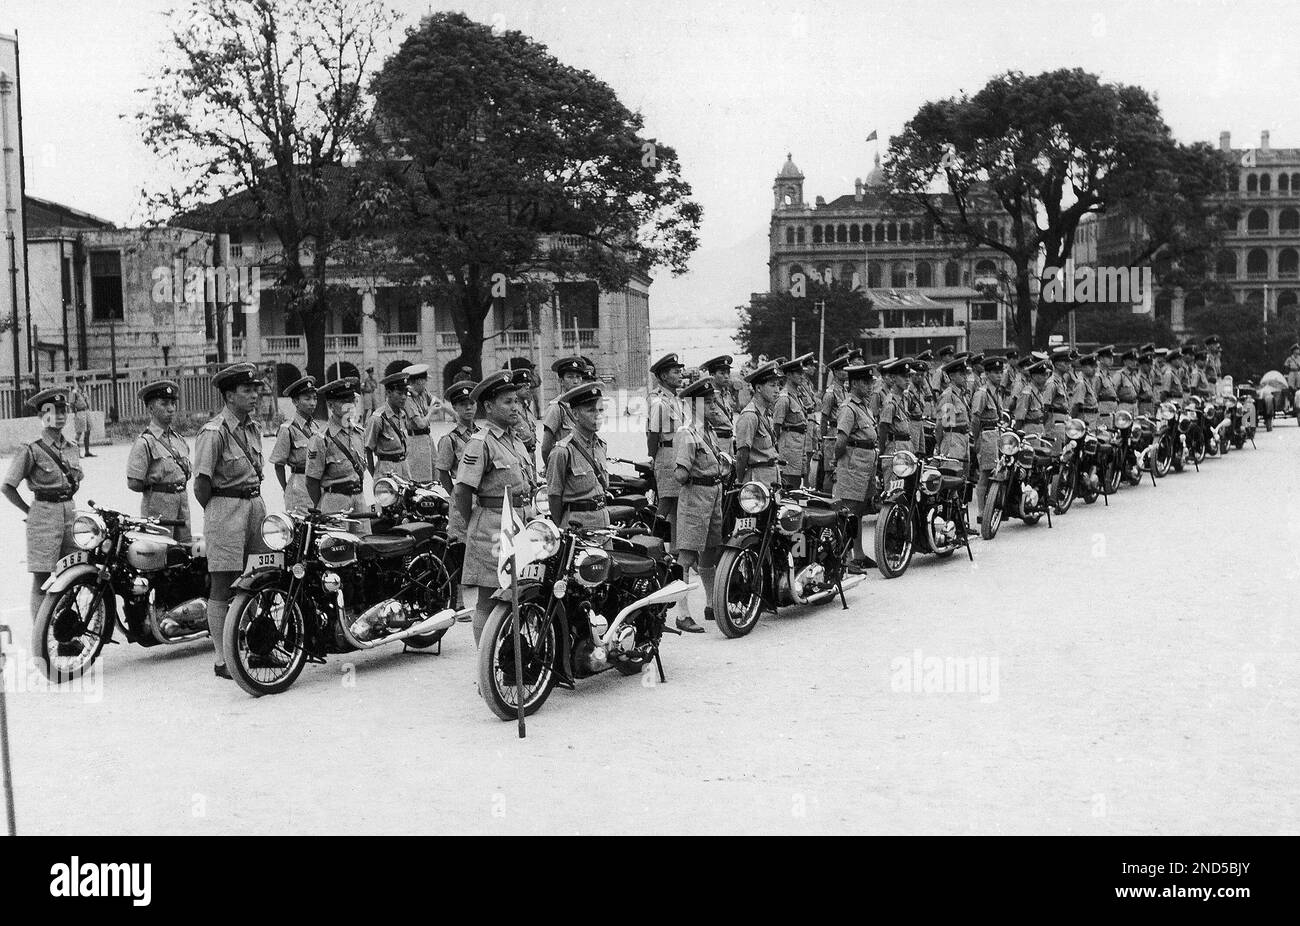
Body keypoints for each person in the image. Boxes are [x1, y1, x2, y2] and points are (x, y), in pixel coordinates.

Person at [192, 362, 269, 680]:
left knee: (258, 577)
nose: (254, 395)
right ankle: (223, 657)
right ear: (228, 395)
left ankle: (253, 646)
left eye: (256, 390)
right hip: (225, 508)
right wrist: (219, 513)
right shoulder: (213, 433)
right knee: (223, 584)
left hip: (255, 507)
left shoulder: (252, 427)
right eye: (247, 390)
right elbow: (201, 485)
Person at [454, 370, 537, 644]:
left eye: (516, 401)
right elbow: (463, 491)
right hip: (492, 526)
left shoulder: (516, 440)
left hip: (521, 524)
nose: (515, 407)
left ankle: (511, 656)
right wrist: (473, 527)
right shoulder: (480, 443)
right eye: (507, 402)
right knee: (489, 599)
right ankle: (485, 663)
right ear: (488, 407)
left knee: (519, 593)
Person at [3, 387, 83, 620]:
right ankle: (40, 636)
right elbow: (7, 486)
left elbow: (76, 479)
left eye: (62, 410)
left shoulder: (72, 447)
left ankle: (64, 629)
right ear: (41, 416)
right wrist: (30, 512)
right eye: (52, 411)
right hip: (43, 515)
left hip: (70, 514)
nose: (59, 415)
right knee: (41, 577)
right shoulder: (32, 449)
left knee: (72, 571)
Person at [672, 377, 728, 633]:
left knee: (710, 551)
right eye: (708, 403)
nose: (714, 407)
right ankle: (682, 614)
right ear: (694, 405)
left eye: (714, 401)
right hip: (695, 496)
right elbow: (680, 473)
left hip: (713, 495)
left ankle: (710, 604)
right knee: (686, 555)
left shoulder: (707, 431)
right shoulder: (687, 433)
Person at [126, 380, 193, 542]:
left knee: (184, 549)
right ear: (150, 408)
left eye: (172, 403)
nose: (170, 409)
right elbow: (134, 483)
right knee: (158, 550)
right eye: (164, 404)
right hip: (158, 505)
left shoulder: (179, 440)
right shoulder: (145, 442)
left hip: (182, 502)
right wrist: (156, 485)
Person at [306, 378, 370, 536]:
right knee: (338, 551)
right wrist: (324, 505)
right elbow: (311, 481)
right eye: (343, 401)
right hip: (335, 501)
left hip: (359, 500)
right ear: (330, 405)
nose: (350, 406)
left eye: (351, 401)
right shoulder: (322, 438)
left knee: (365, 546)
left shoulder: (359, 433)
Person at [831, 363, 878, 573]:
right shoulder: (848, 408)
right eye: (866, 382)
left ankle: (858, 554)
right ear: (856, 383)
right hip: (853, 466)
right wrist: (840, 464)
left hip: (865, 465)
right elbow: (840, 442)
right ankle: (845, 558)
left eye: (871, 382)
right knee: (847, 512)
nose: (870, 386)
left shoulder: (863, 406)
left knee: (857, 512)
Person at [547, 381, 611, 531]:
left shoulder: (601, 445)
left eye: (600, 410)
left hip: (603, 521)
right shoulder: (562, 451)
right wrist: (563, 527)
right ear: (575, 414)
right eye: (590, 411)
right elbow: (554, 496)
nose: (597, 416)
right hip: (577, 526)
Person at [647, 353, 686, 543]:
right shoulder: (658, 400)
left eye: (680, 371)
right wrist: (654, 458)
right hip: (666, 455)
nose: (680, 375)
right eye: (676, 372)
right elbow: (652, 434)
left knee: (678, 504)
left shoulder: (676, 399)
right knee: (666, 501)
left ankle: (675, 549)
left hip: (678, 453)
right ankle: (652, 543)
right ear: (663, 376)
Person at [269, 375, 318, 512]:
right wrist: (287, 489)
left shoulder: (317, 427)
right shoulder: (288, 429)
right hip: (299, 487)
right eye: (307, 399)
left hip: (317, 485)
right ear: (296, 401)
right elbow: (279, 465)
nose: (312, 403)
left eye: (315, 398)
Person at [733, 360, 782, 485]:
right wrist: (741, 481)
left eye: (778, 385)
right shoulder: (750, 416)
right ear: (758, 388)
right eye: (772, 385)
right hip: (757, 479)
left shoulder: (765, 413)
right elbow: (742, 455)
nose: (777, 390)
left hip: (770, 476)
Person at [970, 356, 1005, 523]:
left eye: (1001, 372)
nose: (999, 376)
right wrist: (976, 438)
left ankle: (992, 506)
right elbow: (975, 418)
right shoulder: (982, 393)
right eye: (996, 373)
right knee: (985, 473)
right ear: (988, 374)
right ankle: (982, 511)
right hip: (986, 435)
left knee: (995, 470)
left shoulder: (996, 392)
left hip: (995, 433)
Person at [540, 356, 588, 467]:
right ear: (561, 381)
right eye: (570, 377)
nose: (576, 381)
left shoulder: (583, 406)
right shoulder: (556, 408)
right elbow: (546, 447)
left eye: (578, 377)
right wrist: (553, 468)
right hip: (565, 467)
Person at [772, 354, 812, 488]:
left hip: (799, 446)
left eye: (802, 373)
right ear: (788, 375)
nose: (802, 376)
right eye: (798, 373)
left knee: (797, 483)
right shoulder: (784, 398)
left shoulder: (797, 396)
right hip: (788, 447)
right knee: (788, 483)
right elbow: (776, 427)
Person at [365, 370, 411, 478]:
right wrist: (376, 476)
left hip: (404, 468)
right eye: (399, 393)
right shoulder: (378, 418)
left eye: (405, 393)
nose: (404, 397)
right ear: (388, 393)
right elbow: (368, 450)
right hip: (386, 470)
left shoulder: (402, 415)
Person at [819, 354, 852, 494]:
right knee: (830, 470)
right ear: (836, 372)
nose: (846, 372)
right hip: (832, 434)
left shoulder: (845, 391)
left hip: (844, 432)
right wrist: (823, 439)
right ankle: (826, 498)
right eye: (844, 370)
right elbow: (824, 418)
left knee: (842, 468)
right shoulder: (830, 394)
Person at [403, 364, 437, 482]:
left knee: (433, 476)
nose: (426, 383)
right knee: (420, 479)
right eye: (425, 381)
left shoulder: (422, 392)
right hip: (416, 441)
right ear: (418, 382)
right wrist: (431, 411)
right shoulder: (408, 399)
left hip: (427, 438)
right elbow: (421, 424)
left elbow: (435, 400)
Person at [936, 357, 972, 464]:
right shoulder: (949, 396)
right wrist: (942, 445)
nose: (965, 377)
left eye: (965, 374)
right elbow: (941, 426)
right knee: (952, 474)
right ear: (951, 376)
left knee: (964, 476)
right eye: (961, 374)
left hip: (964, 438)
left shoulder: (961, 394)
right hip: (953, 439)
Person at [877, 358, 916, 453]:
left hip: (906, 445)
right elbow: (883, 428)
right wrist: (882, 451)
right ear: (893, 378)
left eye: (908, 376)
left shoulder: (904, 399)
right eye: (903, 376)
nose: (907, 380)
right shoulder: (890, 403)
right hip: (895, 447)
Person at [702, 355, 738, 456]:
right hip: (715, 441)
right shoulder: (705, 397)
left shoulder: (726, 394)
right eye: (722, 373)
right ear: (712, 375)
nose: (726, 376)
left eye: (728, 373)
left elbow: (734, 411)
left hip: (729, 440)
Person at [504, 358, 538, 458]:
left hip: (531, 454)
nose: (527, 388)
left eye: (528, 385)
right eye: (523, 385)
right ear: (515, 388)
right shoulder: (512, 410)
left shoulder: (527, 408)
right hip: (518, 454)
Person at [1012, 359, 1050, 435]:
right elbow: (1020, 417)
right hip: (1030, 430)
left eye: (1046, 374)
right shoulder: (1027, 393)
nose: (1046, 377)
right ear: (1034, 376)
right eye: (1043, 375)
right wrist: (1018, 435)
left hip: (1040, 429)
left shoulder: (1039, 391)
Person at [1071, 353, 1100, 428]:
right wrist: (1073, 422)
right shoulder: (1081, 384)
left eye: (1095, 366)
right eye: (1091, 366)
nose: (1094, 369)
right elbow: (1076, 405)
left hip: (1092, 419)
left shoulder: (1090, 382)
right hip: (1084, 420)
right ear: (1083, 367)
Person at [69, 376, 94, 457]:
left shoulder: (84, 391)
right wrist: (75, 412)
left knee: (88, 432)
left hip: (86, 411)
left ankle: (87, 451)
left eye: (84, 382)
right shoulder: (74, 392)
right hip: (79, 412)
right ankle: (76, 453)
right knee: (79, 433)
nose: (83, 384)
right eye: (81, 382)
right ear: (78, 382)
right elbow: (71, 404)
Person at [1095, 346, 1118, 427]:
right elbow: (1094, 397)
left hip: (1111, 414)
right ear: (1101, 359)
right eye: (1108, 357)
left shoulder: (1108, 376)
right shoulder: (1098, 376)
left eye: (1112, 357)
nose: (1111, 359)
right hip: (1103, 415)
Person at [1115, 349, 1141, 417]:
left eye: (1135, 360)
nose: (1134, 362)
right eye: (1131, 360)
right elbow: (1113, 391)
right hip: (1124, 406)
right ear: (1125, 362)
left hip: (1135, 406)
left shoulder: (1135, 375)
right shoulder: (1120, 375)